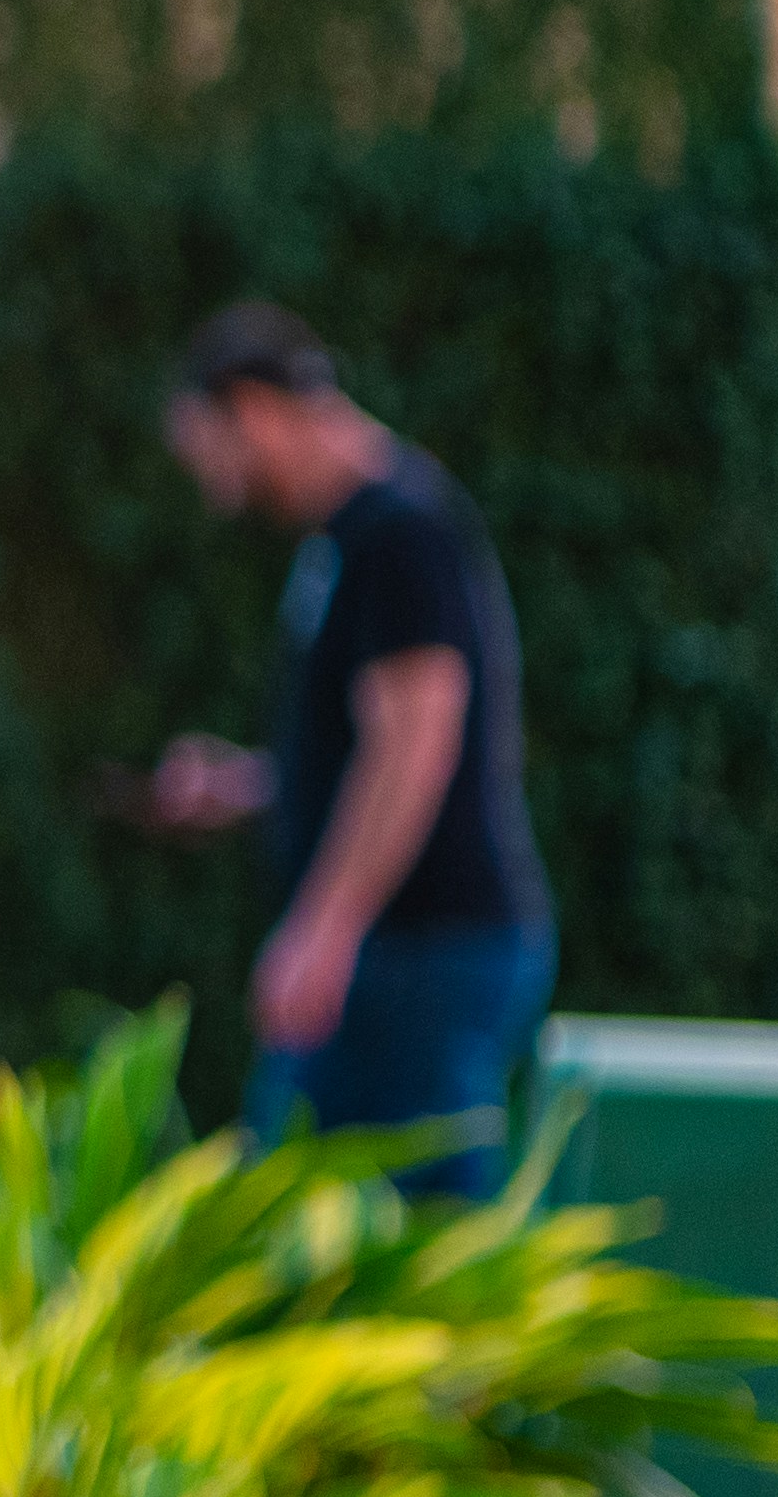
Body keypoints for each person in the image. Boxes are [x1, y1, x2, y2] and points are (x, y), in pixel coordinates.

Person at [133, 301, 556, 1196]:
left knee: (382, 1239)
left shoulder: (400, 532)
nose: (213, 483)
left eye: (210, 448)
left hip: (424, 957)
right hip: (398, 953)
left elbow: (416, 741)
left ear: (252, 408)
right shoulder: (349, 541)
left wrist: (325, 929)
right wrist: (252, 787)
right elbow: (368, 748)